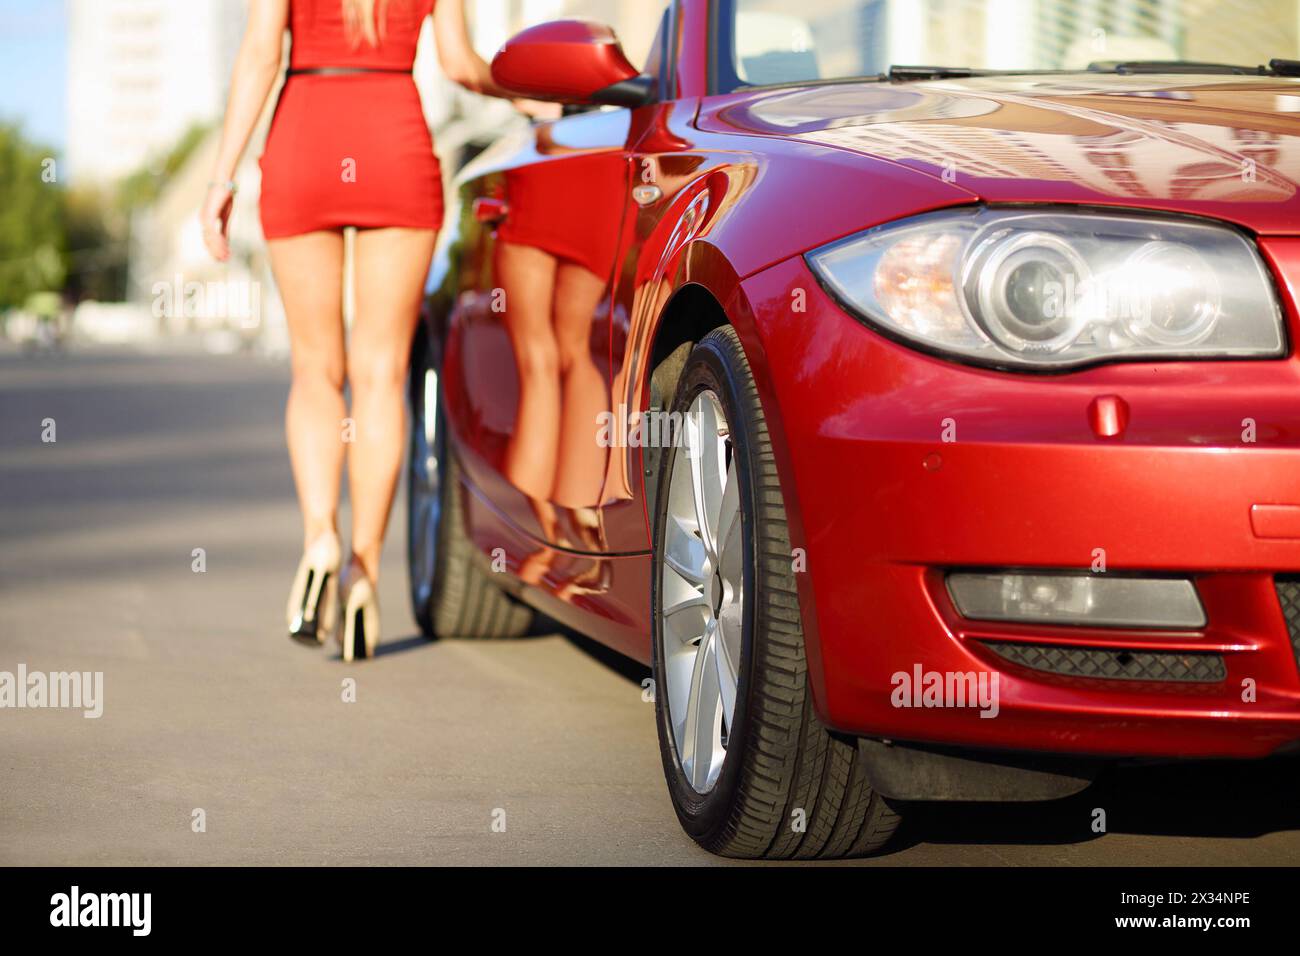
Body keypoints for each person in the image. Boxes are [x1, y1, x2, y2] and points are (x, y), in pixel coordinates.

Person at [201, 0, 540, 661]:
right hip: (394, 145)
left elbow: (262, 54)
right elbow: (461, 66)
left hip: (304, 136)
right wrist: (530, 95)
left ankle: (321, 536)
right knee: (380, 376)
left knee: (315, 372)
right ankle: (363, 572)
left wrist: (221, 177)